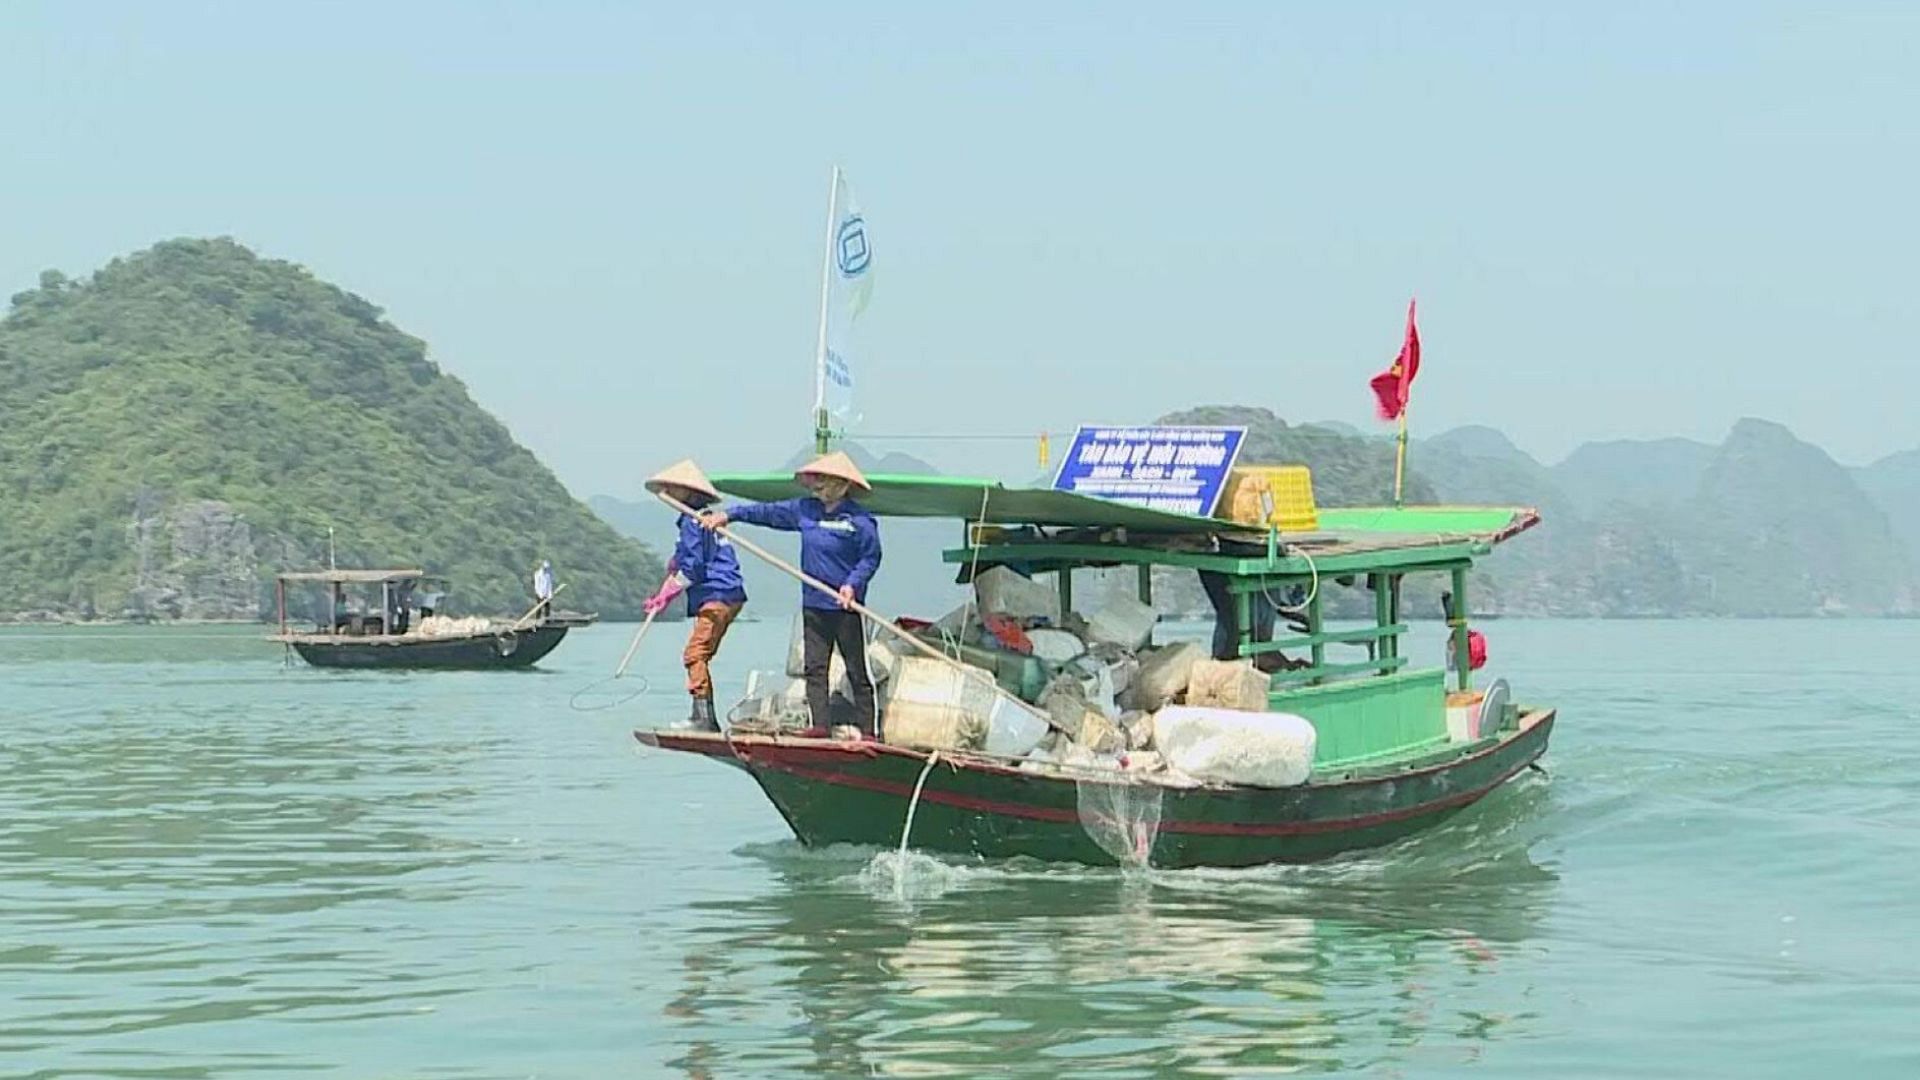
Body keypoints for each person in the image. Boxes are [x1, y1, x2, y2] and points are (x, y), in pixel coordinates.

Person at [702, 451, 881, 739]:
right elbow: (766, 513)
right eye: (816, 482)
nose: (817, 488)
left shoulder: (860, 521)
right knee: (815, 667)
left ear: (843, 485)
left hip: (846, 606)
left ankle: (869, 732)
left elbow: (870, 558)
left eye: (824, 482)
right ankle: (820, 726)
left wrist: (852, 584)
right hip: (814, 604)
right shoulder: (805, 510)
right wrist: (730, 515)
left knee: (856, 670)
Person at [642, 459, 748, 732]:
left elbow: (694, 567)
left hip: (718, 594)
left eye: (672, 488)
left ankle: (704, 718)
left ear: (687, 492)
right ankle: (702, 715)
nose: (666, 492)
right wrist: (664, 590)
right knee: (700, 653)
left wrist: (668, 595)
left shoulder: (694, 521)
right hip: (727, 594)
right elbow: (683, 560)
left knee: (694, 654)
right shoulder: (700, 519)